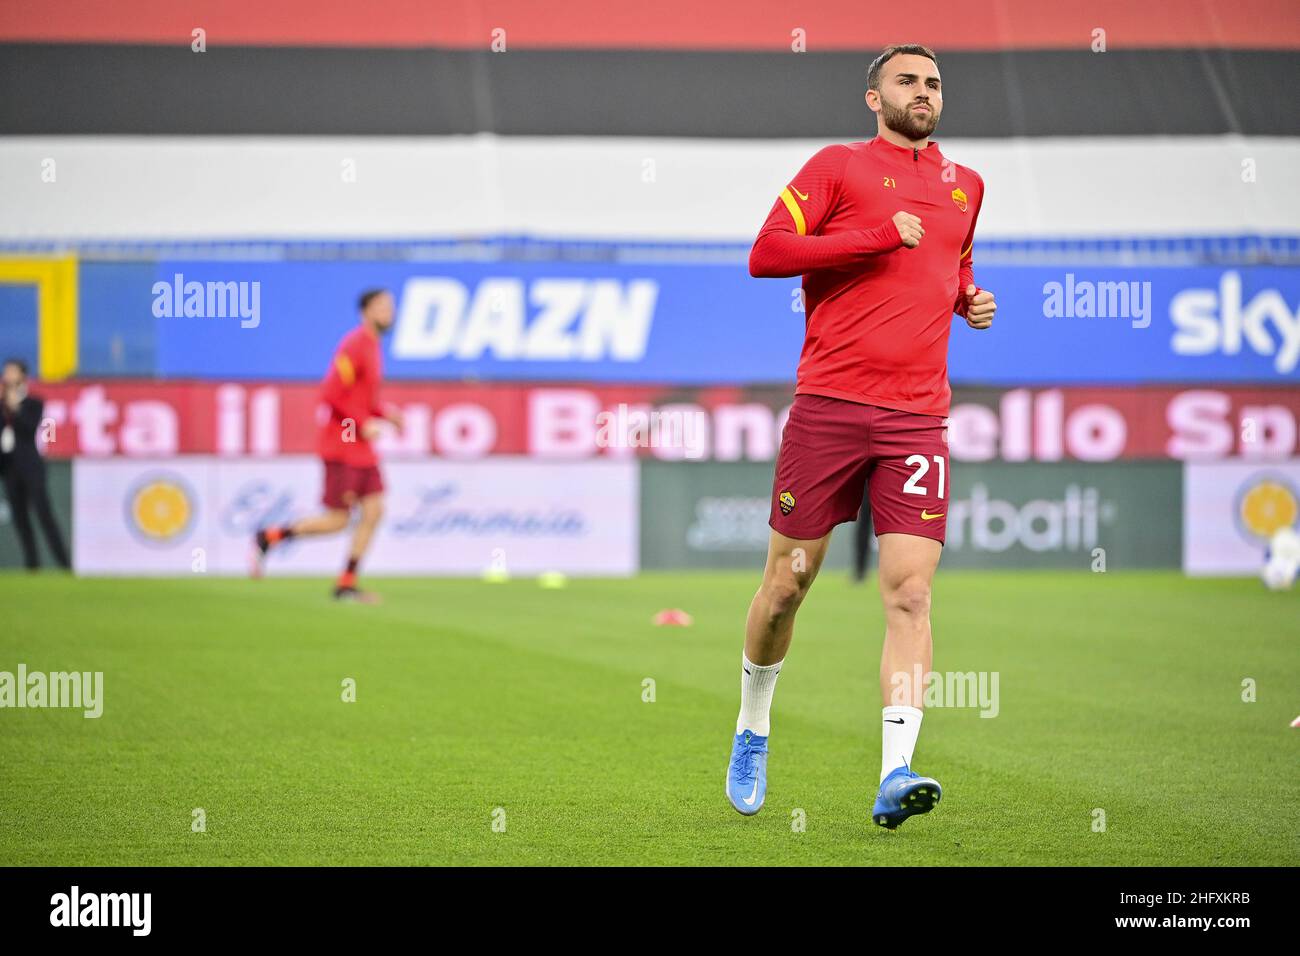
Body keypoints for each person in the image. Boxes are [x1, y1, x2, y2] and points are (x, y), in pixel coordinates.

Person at [725, 44, 997, 829]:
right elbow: (766, 254)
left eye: (934, 82)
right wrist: (874, 236)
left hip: (918, 418)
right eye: (907, 81)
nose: (924, 92)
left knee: (911, 594)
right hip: (830, 408)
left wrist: (969, 300)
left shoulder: (966, 186)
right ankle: (752, 725)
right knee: (785, 589)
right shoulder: (837, 167)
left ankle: (896, 772)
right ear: (873, 98)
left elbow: (953, 264)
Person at [252, 289, 403, 602]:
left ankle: (346, 582)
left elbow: (363, 399)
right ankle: (271, 536)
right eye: (383, 307)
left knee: (374, 510)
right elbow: (333, 395)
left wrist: (385, 415)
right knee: (339, 519)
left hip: (360, 445)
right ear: (366, 311)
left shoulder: (373, 347)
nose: (390, 312)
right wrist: (361, 424)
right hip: (344, 441)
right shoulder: (355, 344)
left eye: (391, 306)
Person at [0, 358, 70, 570]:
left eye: (12, 371)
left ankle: (64, 564)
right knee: (21, 519)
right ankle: (32, 565)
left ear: (23, 375)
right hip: (8, 467)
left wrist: (15, 408)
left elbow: (29, 428)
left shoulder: (33, 403)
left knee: (44, 514)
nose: (7, 375)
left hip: (30, 467)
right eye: (6, 372)